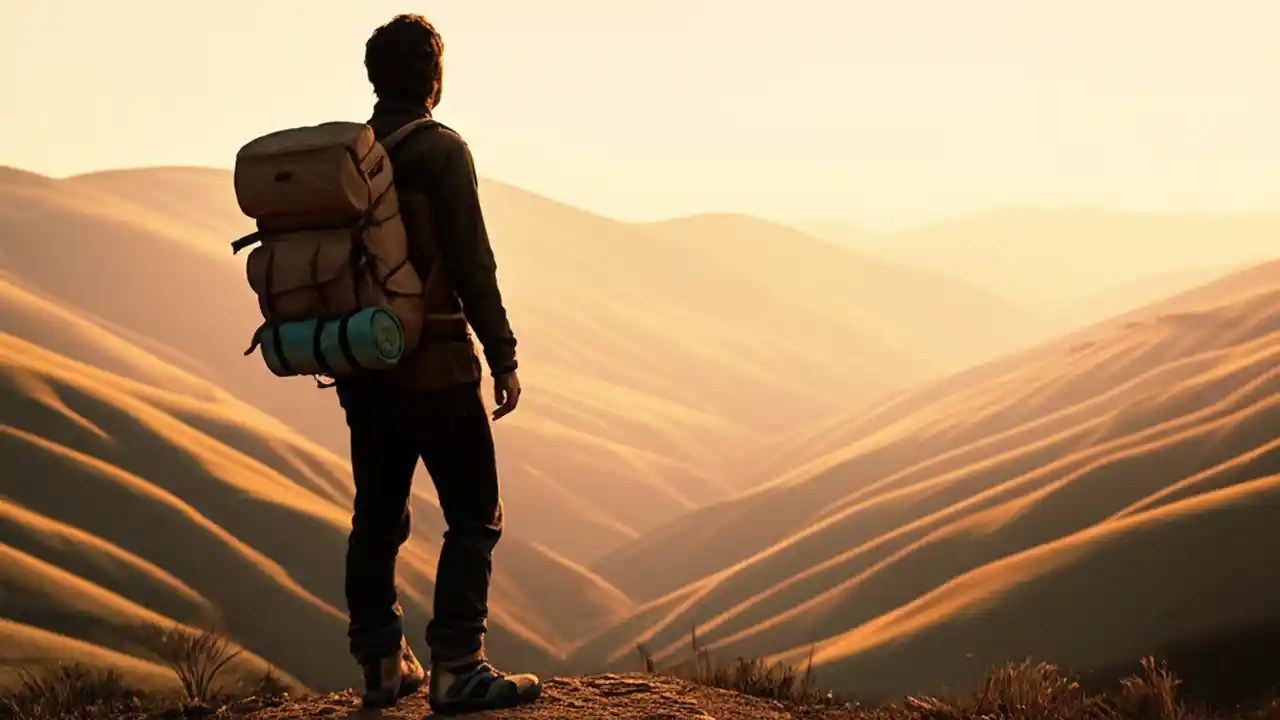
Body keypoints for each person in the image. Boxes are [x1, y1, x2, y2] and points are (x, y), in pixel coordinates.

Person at [338, 13, 540, 714]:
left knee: (377, 516)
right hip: (439, 367)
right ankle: (458, 667)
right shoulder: (441, 152)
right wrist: (503, 355)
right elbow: (471, 261)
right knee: (475, 516)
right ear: (434, 78)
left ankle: (380, 664)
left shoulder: (350, 157)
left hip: (364, 366)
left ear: (375, 77)